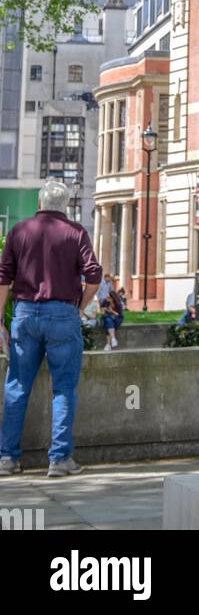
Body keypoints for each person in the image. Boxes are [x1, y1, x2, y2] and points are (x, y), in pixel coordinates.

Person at [0, 179, 102, 477]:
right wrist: (79, 308)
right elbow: (93, 275)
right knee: (64, 388)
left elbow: (3, 278)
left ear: (40, 203)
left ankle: (7, 458)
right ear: (66, 206)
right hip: (62, 313)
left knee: (17, 387)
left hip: (25, 314)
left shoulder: (19, 230)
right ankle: (59, 459)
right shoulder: (76, 232)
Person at [99, 275, 125, 351]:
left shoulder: (118, 304)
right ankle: (113, 339)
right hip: (107, 317)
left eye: (108, 297)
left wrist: (111, 311)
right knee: (107, 320)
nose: (106, 298)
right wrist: (104, 310)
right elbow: (102, 312)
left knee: (108, 323)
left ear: (112, 298)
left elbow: (119, 315)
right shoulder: (105, 302)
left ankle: (108, 344)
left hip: (117, 318)